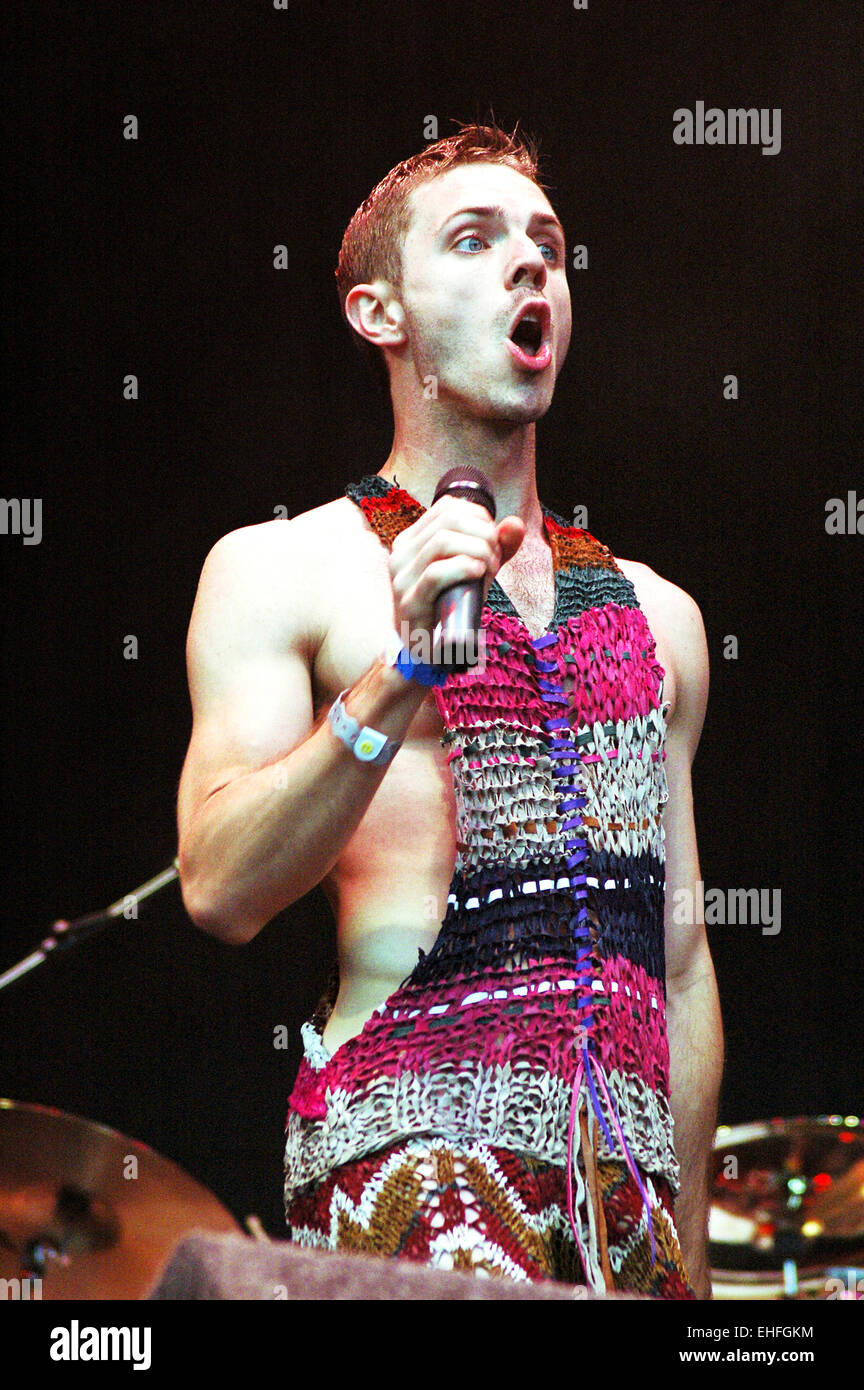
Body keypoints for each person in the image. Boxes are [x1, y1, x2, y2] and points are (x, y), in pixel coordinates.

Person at [176, 123, 723, 1298]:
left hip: (624, 1199)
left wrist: (692, 1269)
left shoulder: (659, 614)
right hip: (409, 1155)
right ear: (382, 315)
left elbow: (679, 966)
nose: (530, 265)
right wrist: (403, 670)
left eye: (549, 247)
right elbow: (220, 885)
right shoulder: (284, 568)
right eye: (474, 242)